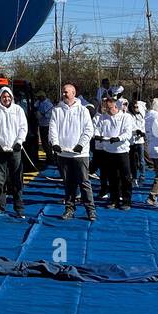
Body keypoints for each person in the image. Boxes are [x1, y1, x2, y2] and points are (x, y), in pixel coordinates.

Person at [48, 83, 95, 220]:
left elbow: (88, 130)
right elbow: (53, 129)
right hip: (63, 153)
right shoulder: (57, 110)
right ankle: (69, 209)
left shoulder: (83, 110)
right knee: (68, 183)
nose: (64, 94)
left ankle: (90, 210)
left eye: (66, 92)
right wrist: (55, 144)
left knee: (84, 182)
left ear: (73, 93)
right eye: (63, 92)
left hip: (80, 154)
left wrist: (80, 145)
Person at [0, 85, 29, 215]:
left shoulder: (18, 110)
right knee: (0, 179)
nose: (6, 98)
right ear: (0, 97)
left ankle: (19, 206)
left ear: (11, 97)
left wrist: (19, 141)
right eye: (3, 96)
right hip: (0, 150)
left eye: (8, 96)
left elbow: (23, 127)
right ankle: (1, 205)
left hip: (15, 150)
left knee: (17, 178)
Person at [35, 92, 55, 164]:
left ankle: (50, 158)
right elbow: (35, 106)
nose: (38, 98)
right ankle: (48, 157)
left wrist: (42, 114)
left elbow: (50, 115)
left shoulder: (48, 105)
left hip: (47, 125)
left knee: (47, 143)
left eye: (39, 97)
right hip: (41, 125)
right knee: (43, 143)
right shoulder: (39, 103)